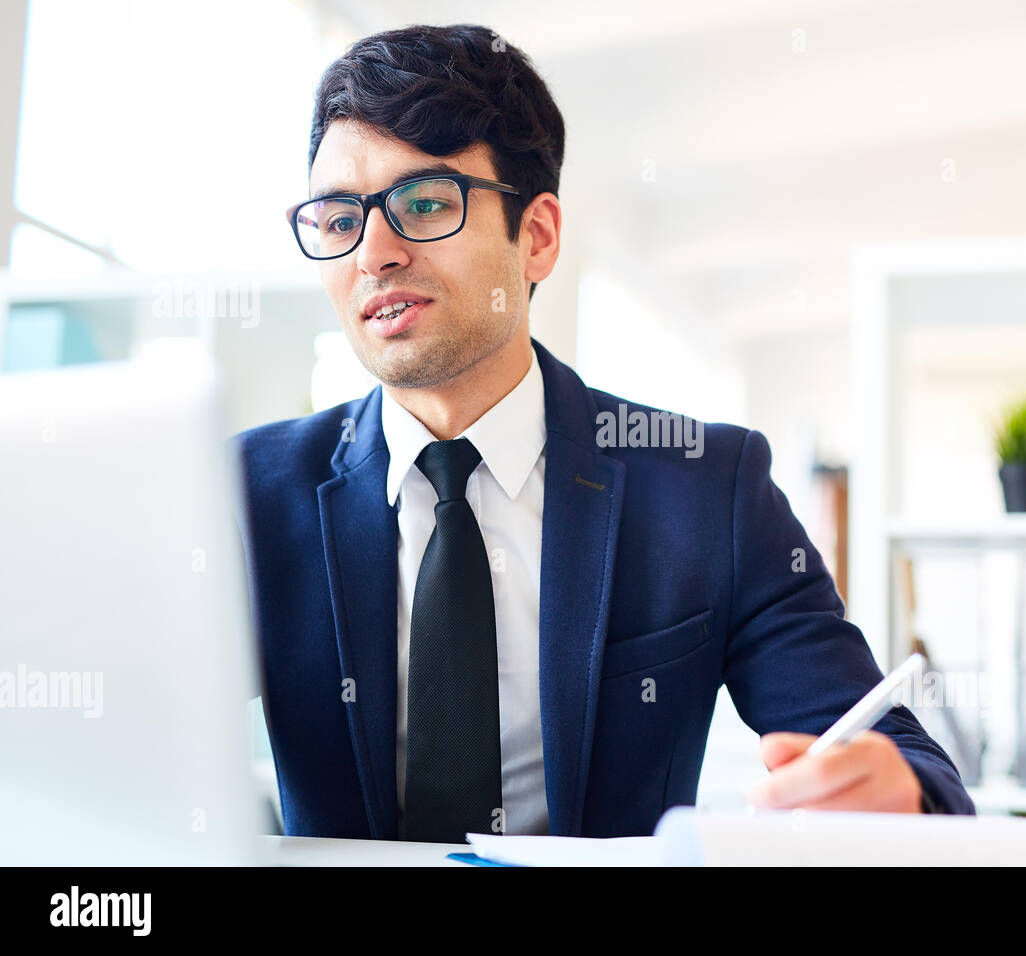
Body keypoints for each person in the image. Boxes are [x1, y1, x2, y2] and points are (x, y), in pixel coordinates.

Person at [233, 23, 974, 841]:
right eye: (340, 220)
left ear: (538, 238)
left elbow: (893, 748)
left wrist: (896, 789)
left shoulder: (707, 486)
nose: (374, 253)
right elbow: (126, 733)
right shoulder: (249, 492)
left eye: (426, 203)